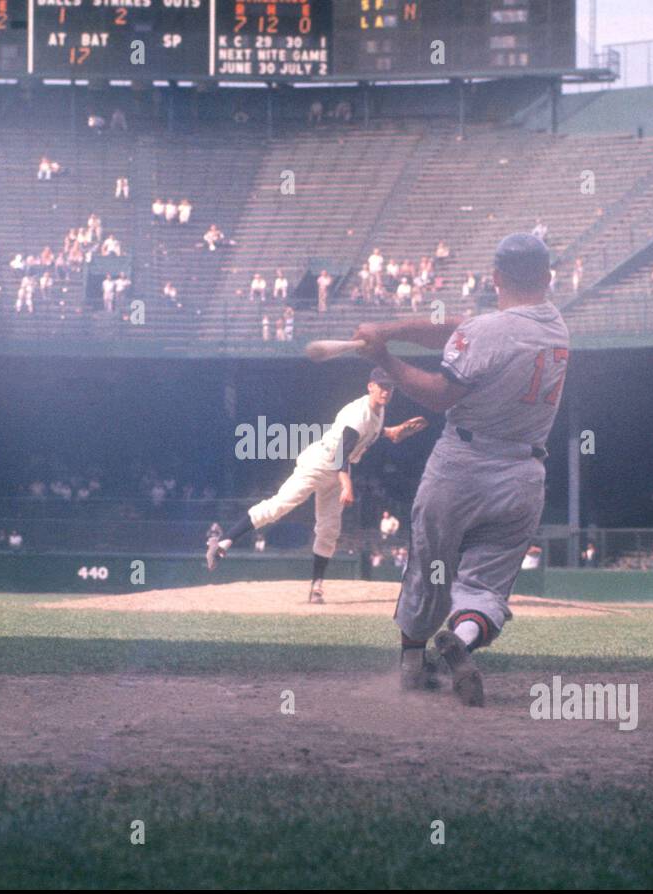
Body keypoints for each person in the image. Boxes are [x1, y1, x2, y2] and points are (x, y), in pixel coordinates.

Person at [350, 232, 568, 706]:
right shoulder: (554, 325)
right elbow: (464, 332)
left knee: (430, 567)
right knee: (486, 584)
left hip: (461, 466)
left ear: (494, 278)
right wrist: (391, 330)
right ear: (548, 278)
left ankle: (412, 665)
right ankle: (462, 642)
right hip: (524, 472)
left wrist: (384, 357)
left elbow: (440, 393)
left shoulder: (489, 331)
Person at [205, 368, 427, 604]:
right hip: (320, 463)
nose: (386, 390)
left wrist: (389, 432)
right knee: (278, 507)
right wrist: (347, 485)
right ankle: (223, 542)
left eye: (390, 386)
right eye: (382, 386)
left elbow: (368, 433)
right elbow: (342, 451)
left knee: (329, 530)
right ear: (370, 386)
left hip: (337, 470)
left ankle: (316, 587)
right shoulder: (357, 414)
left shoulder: (378, 411)